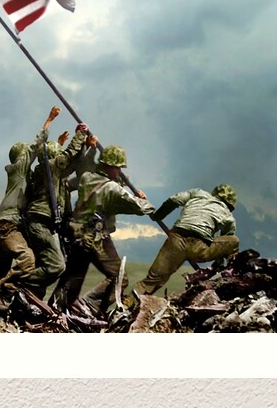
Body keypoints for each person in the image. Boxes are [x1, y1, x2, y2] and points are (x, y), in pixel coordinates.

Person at [50, 145, 155, 317]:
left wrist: (121, 184)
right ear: (110, 166)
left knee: (72, 278)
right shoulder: (113, 189)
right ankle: (88, 305)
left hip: (77, 236)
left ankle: (54, 310)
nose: (119, 171)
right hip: (97, 237)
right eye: (118, 167)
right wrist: (143, 200)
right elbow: (139, 207)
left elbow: (103, 187)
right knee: (119, 278)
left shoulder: (87, 178)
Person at [0, 106, 60, 310]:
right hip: (9, 224)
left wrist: (58, 145)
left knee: (8, 266)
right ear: (21, 157)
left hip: (16, 225)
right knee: (27, 260)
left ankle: (1, 300)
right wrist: (49, 121)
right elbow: (36, 146)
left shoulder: (23, 176)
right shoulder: (17, 170)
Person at [133, 184, 239, 296]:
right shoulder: (228, 216)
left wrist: (157, 216)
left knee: (151, 281)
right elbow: (224, 244)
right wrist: (218, 265)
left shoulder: (198, 193)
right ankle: (233, 273)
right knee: (234, 241)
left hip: (175, 242)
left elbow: (175, 199)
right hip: (199, 248)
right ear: (230, 204)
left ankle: (127, 306)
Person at [22, 123, 89, 298]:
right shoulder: (50, 166)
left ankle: (30, 298)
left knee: (45, 265)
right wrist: (80, 134)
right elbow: (69, 155)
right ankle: (18, 283)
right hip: (40, 223)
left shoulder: (50, 174)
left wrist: (86, 147)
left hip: (42, 223)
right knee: (56, 266)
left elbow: (74, 163)